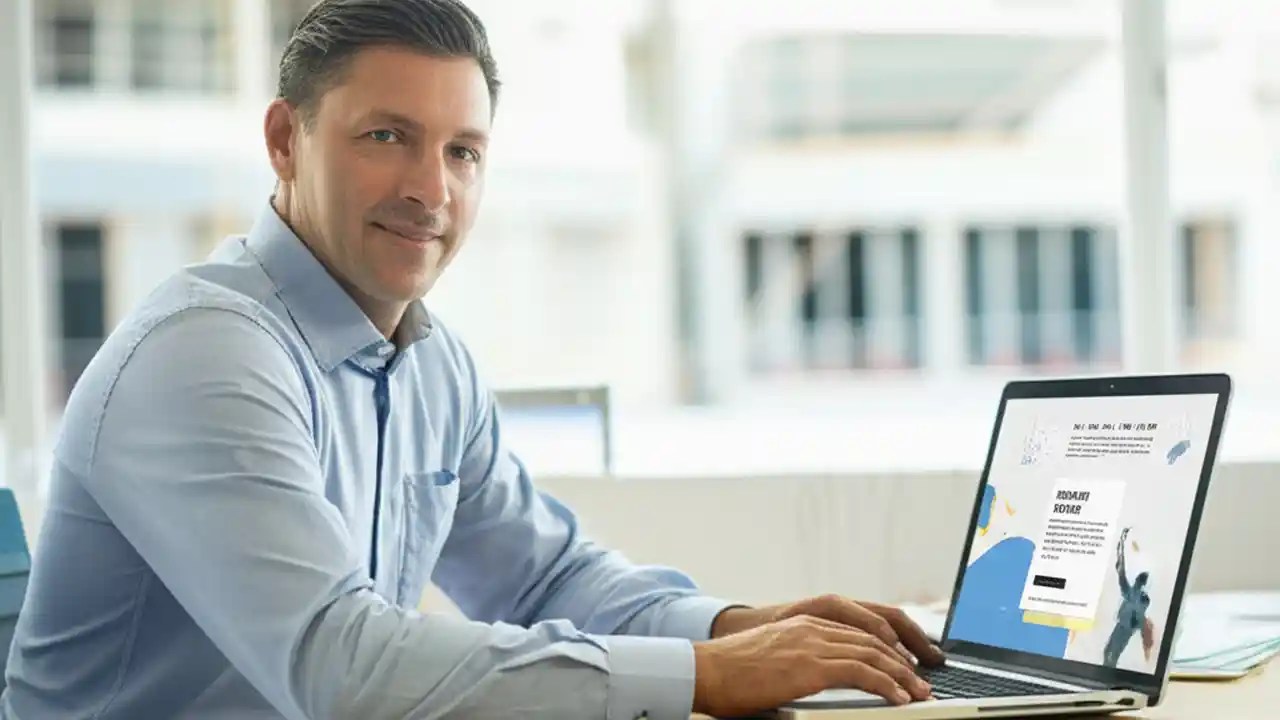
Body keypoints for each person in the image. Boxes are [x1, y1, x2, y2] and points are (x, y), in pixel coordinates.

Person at [1, 1, 942, 718]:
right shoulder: (203, 354)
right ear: (286, 141)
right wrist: (709, 673)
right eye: (387, 138)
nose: (430, 189)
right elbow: (342, 666)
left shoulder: (430, 363)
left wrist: (743, 627)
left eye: (463, 152)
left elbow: (545, 581)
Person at [1103, 527, 1153, 668]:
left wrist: (1122, 548)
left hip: (1124, 628)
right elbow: (1121, 574)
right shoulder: (1136, 596)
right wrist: (1121, 547)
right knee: (1109, 653)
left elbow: (1121, 574)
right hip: (1123, 627)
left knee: (1111, 654)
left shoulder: (1138, 597)